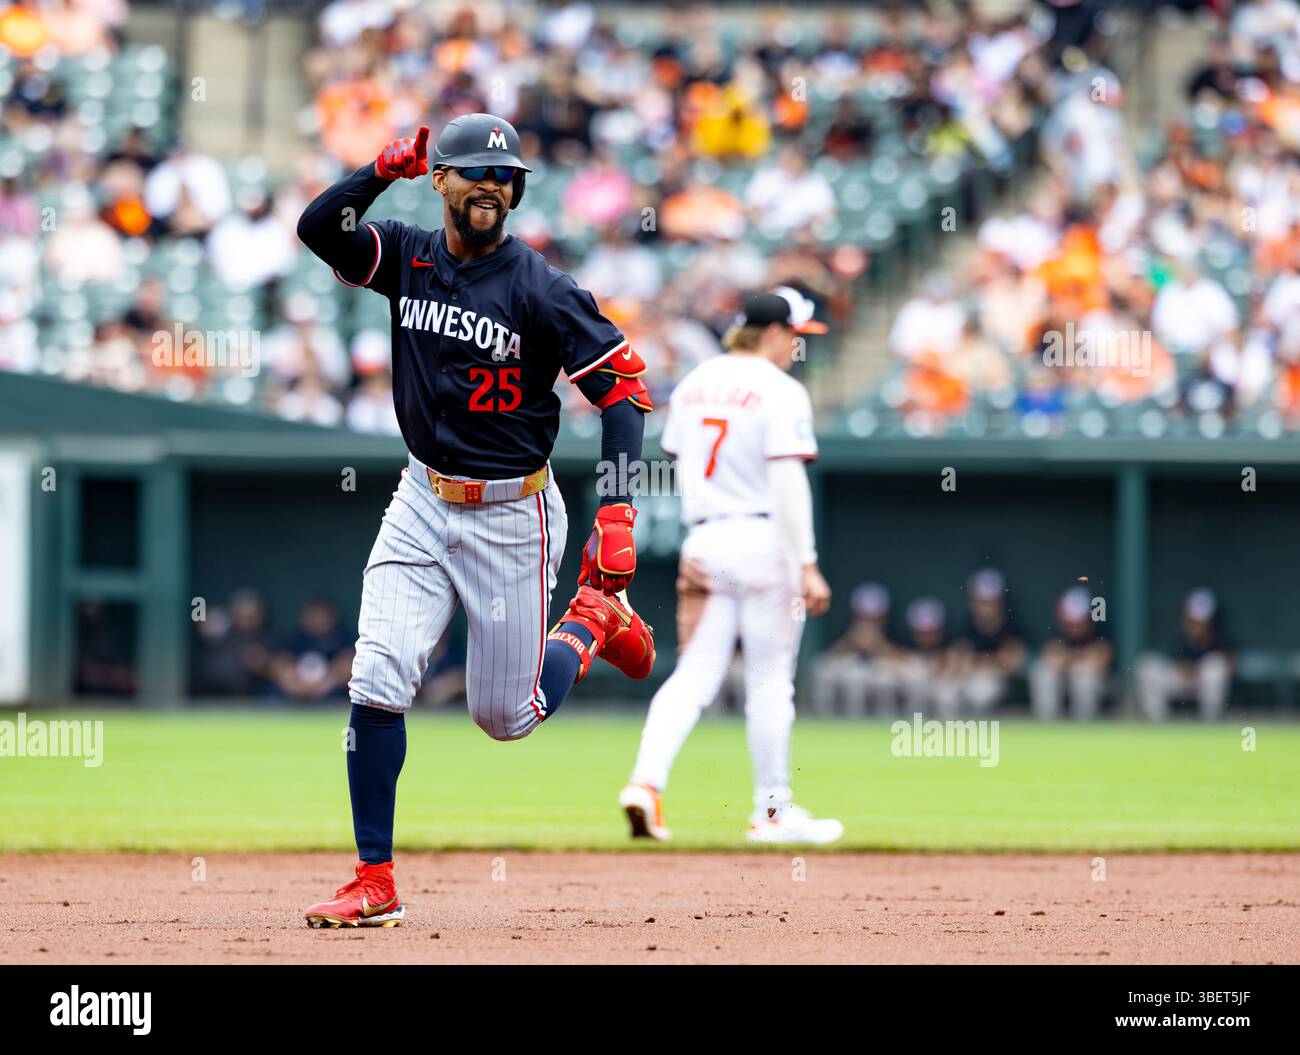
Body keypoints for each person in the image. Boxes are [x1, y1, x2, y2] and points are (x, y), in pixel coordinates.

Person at [295, 114, 655, 927]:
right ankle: (374, 879)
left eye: (506, 175)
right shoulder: (409, 255)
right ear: (441, 181)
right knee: (377, 674)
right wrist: (377, 170)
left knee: (506, 717)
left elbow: (624, 394)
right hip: (421, 497)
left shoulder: (543, 289)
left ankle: (591, 618)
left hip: (511, 514)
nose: (492, 184)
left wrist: (619, 506)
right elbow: (319, 229)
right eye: (475, 171)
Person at [620, 286, 843, 845]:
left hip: (705, 540)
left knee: (693, 675)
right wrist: (809, 563)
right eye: (795, 336)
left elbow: (678, 453)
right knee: (770, 683)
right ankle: (772, 812)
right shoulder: (781, 389)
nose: (797, 348)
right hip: (764, 536)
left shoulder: (695, 382)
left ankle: (646, 784)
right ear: (772, 333)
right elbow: (789, 482)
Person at [1136, 589, 1233, 721]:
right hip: (1180, 679)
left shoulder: (1220, 640)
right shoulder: (1179, 638)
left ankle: (1211, 723)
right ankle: (1157, 724)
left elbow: (1230, 664)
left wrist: (1198, 669)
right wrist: (1183, 668)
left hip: (1202, 682)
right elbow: (1170, 659)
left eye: (1201, 621)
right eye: (1193, 620)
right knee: (1147, 665)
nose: (1196, 625)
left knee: (1215, 668)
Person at [942, 567, 1026, 716]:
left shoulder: (1010, 627)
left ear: (999, 601)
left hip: (994, 683)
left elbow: (1011, 666)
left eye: (990, 601)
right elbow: (954, 665)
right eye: (981, 601)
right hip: (967, 679)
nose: (985, 607)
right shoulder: (965, 627)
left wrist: (977, 662)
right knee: (946, 693)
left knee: (983, 690)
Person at [811, 582, 902, 717]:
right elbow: (829, 655)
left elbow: (904, 657)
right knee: (845, 674)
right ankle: (825, 720)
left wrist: (879, 646)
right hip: (851, 675)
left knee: (886, 679)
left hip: (883, 675)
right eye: (864, 616)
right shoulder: (845, 627)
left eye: (874, 617)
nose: (869, 621)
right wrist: (850, 643)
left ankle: (889, 722)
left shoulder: (894, 629)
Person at [1030, 586, 1113, 720]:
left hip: (1098, 688)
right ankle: (1046, 726)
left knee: (1084, 677)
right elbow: (1049, 655)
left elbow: (1102, 659)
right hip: (1063, 682)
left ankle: (1084, 728)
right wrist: (1076, 658)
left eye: (1078, 621)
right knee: (1043, 673)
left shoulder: (1100, 630)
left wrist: (1070, 659)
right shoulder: (1057, 632)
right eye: (1069, 621)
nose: (1074, 626)